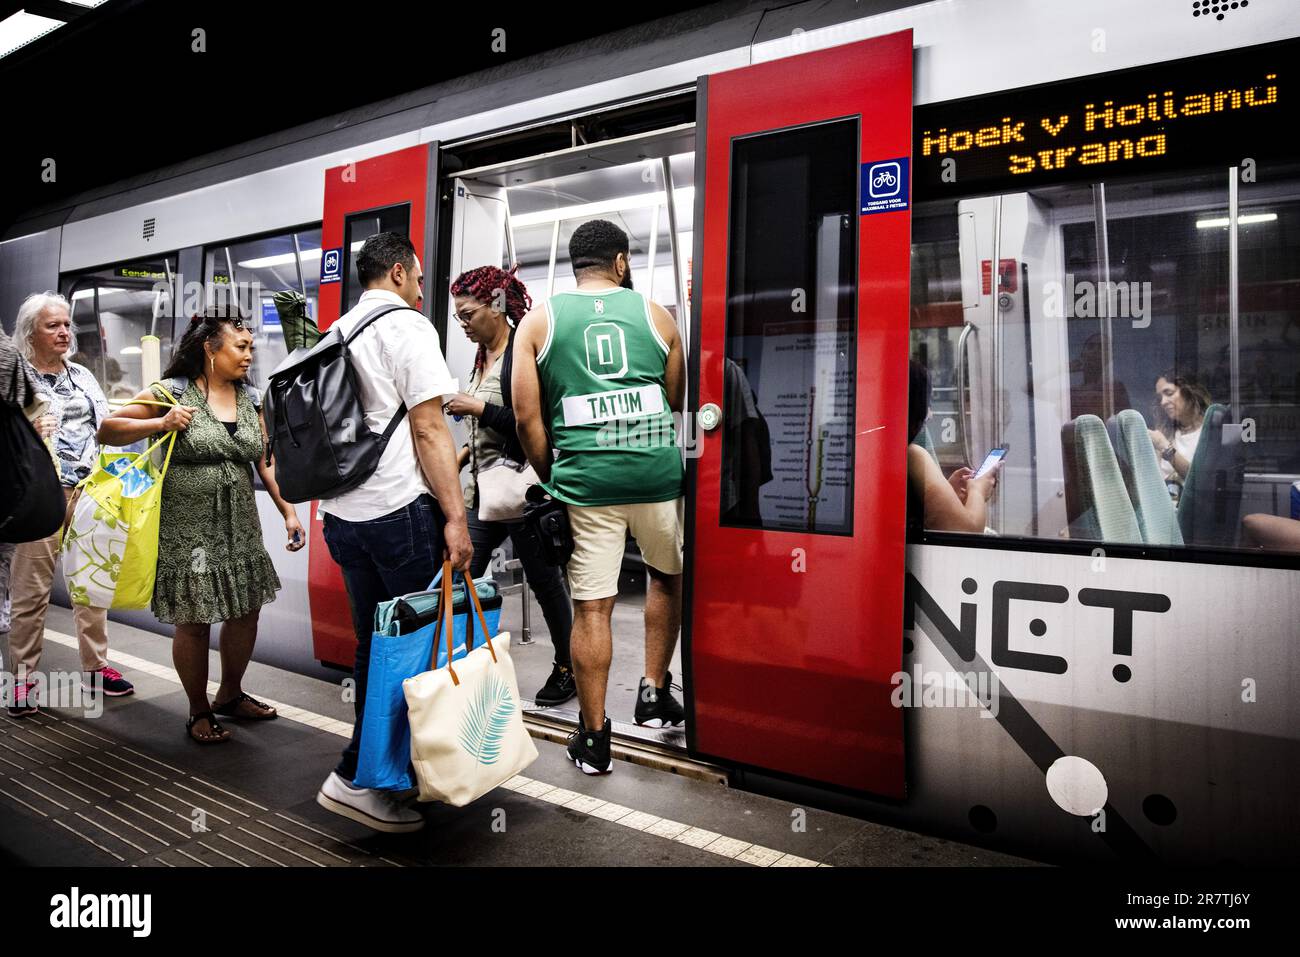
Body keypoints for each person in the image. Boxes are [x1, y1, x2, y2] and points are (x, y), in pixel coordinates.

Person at [512, 219, 686, 776]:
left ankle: (593, 739)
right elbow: (673, 399)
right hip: (656, 475)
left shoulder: (539, 322)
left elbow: (525, 416)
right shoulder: (658, 316)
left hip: (586, 483)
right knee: (666, 575)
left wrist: (555, 471)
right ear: (620, 262)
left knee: (593, 607)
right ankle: (655, 692)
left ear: (574, 265)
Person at [310, 232, 470, 832]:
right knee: (416, 651)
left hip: (346, 517)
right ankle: (360, 776)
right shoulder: (407, 328)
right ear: (400, 273)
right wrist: (456, 517)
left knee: (376, 646)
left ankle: (388, 773)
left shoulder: (337, 331)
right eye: (421, 277)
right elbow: (430, 429)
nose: (423, 288)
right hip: (401, 514)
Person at [98, 306, 304, 743]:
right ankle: (198, 710)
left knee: (246, 610)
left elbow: (263, 460)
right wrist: (161, 421)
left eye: (250, 347)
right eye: (241, 346)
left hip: (241, 524)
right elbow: (107, 429)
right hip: (187, 528)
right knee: (194, 619)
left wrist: (287, 510)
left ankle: (230, 695)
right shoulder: (170, 392)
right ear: (210, 349)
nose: (249, 355)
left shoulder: (250, 398)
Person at [442, 264, 575, 706]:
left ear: (496, 307)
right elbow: (486, 436)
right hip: (484, 494)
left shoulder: (523, 350)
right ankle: (454, 664)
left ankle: (567, 667)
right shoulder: (483, 356)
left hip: (523, 492)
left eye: (467, 314)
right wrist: (455, 460)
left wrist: (477, 407)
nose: (462, 324)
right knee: (459, 573)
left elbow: (533, 426)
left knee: (545, 582)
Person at [6, 292, 133, 717]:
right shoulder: (16, 378)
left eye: (66, 325)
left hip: (90, 492)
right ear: (30, 333)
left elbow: (105, 428)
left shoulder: (82, 375)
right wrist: (25, 424)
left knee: (92, 586)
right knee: (31, 591)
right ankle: (21, 681)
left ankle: (96, 667)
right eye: (52, 326)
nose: (63, 332)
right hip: (42, 494)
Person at [906, 359, 999, 535]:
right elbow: (967, 531)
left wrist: (945, 494)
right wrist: (977, 490)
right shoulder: (913, 454)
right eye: (927, 405)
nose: (931, 415)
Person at [1147, 369, 1211, 499]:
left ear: (1190, 392)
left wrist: (1165, 447)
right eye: (1160, 397)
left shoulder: (1210, 433)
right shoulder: (1165, 431)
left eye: (1169, 393)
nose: (1163, 402)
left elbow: (1201, 482)